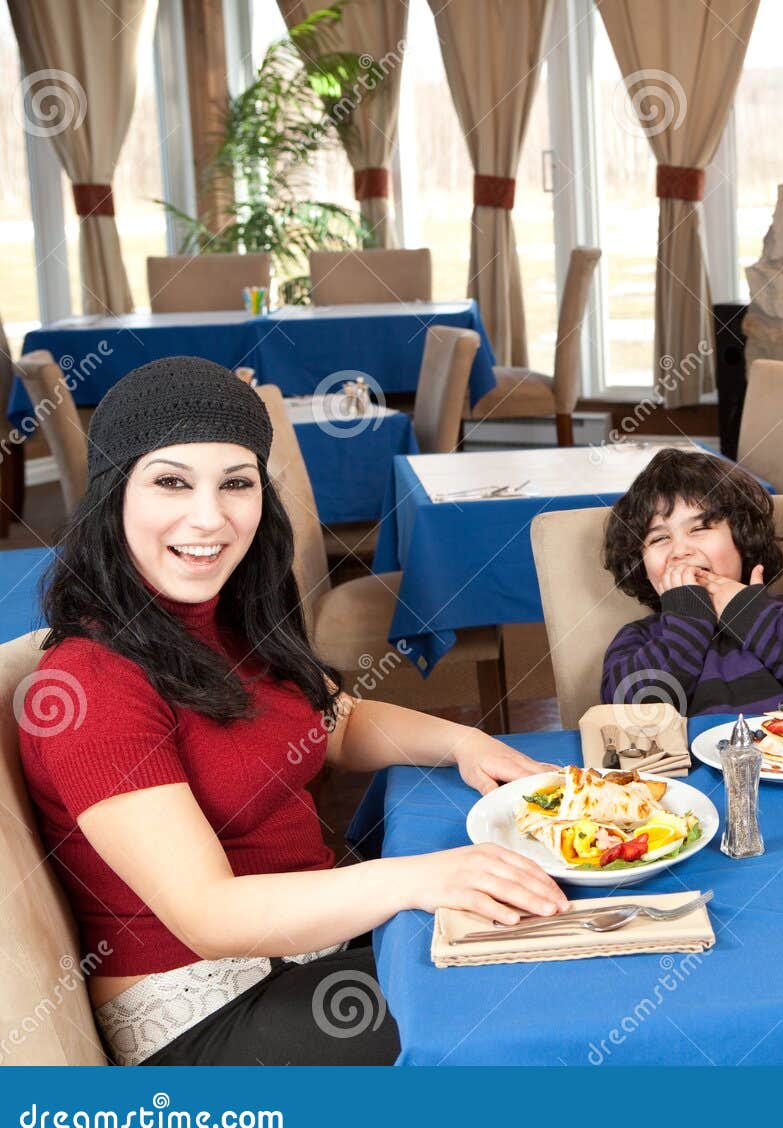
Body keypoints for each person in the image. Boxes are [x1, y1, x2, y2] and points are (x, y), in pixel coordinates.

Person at [19, 357, 570, 1066]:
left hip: (302, 960)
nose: (209, 517)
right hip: (208, 1015)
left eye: (236, 483)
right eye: (171, 481)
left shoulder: (219, 617)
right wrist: (425, 876)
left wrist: (462, 741)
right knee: (528, 1007)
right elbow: (209, 914)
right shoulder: (92, 683)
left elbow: (336, 723)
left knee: (552, 936)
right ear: (111, 496)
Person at [600, 449, 783, 714]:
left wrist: (750, 614)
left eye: (699, 529)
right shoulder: (639, 638)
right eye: (659, 539)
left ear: (742, 538)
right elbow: (633, 714)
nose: (679, 550)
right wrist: (686, 623)